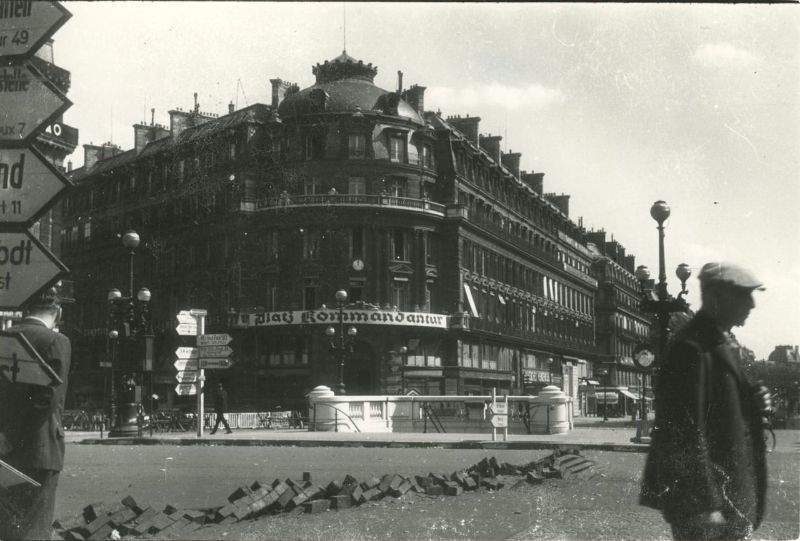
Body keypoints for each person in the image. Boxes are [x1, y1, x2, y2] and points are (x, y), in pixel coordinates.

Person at [640, 262, 772, 541]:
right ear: (716, 298)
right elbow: (681, 432)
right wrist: (703, 504)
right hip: (708, 509)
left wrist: (752, 402)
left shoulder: (719, 342)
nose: (752, 305)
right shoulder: (691, 348)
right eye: (743, 295)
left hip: (727, 501)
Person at [0, 286, 71, 540]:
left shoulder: (4, 337)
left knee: (8, 527)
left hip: (4, 453)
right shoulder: (56, 341)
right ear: (58, 312)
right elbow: (48, 398)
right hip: (40, 450)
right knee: (35, 528)